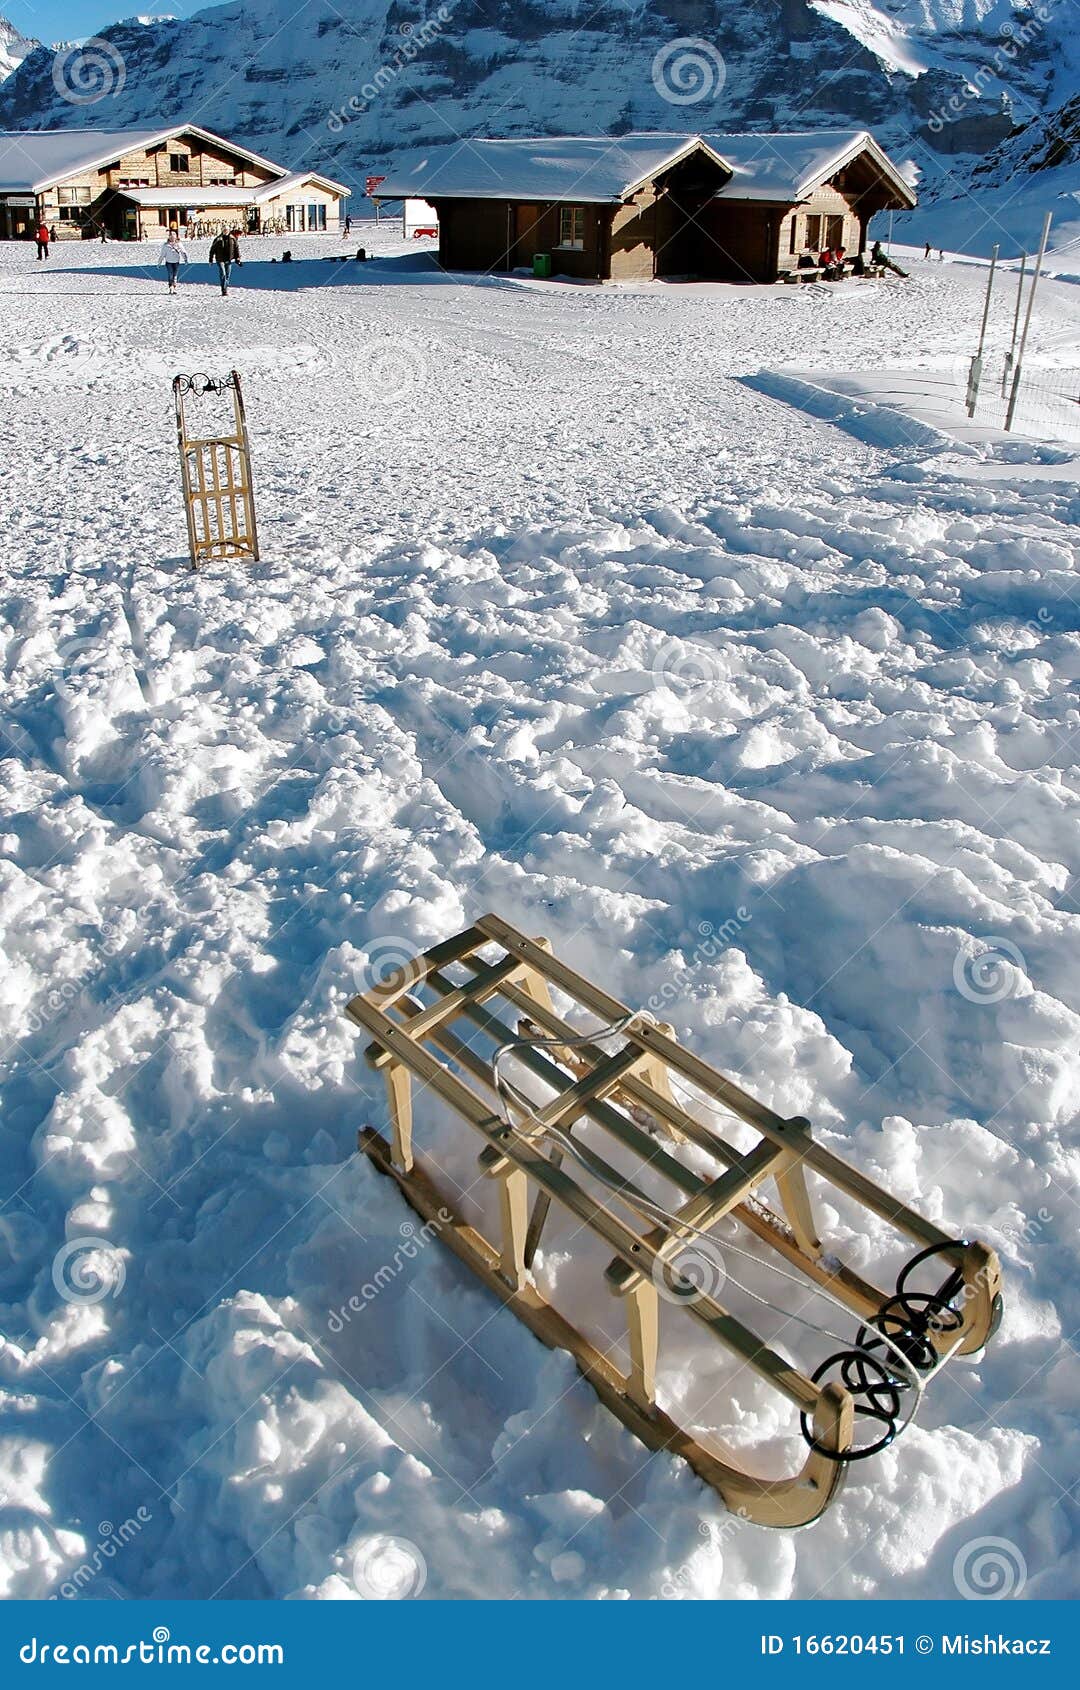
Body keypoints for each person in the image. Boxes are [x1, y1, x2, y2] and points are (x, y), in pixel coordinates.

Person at [209, 227, 243, 295]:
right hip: (220, 259)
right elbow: (212, 250)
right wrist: (211, 259)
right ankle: (224, 290)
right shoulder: (218, 239)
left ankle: (225, 288)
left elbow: (236, 248)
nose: (225, 231)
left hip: (228, 259)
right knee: (223, 274)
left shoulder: (232, 238)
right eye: (224, 230)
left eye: (227, 230)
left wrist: (238, 258)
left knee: (227, 275)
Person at [158, 227, 189, 293]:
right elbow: (162, 255)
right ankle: (170, 287)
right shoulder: (165, 245)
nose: (172, 237)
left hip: (176, 262)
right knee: (170, 274)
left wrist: (185, 259)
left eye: (173, 235)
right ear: (169, 237)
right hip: (168, 262)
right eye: (171, 235)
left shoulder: (179, 244)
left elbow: (183, 252)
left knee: (175, 275)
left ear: (176, 237)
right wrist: (159, 263)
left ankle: (174, 287)